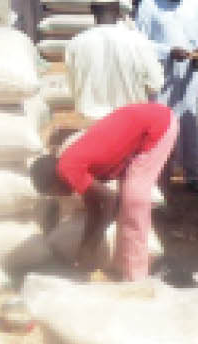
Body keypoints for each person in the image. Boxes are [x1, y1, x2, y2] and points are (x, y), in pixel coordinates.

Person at [29, 103, 177, 280]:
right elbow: (95, 210)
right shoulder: (71, 168)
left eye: (54, 193)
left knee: (133, 202)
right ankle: (122, 267)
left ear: (54, 182)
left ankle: (135, 278)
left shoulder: (68, 169)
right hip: (144, 122)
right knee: (127, 204)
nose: (60, 196)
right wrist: (85, 247)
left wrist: (91, 245)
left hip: (157, 124)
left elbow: (109, 201)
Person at [136, 0, 198, 193]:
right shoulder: (149, 4)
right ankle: (160, 176)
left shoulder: (194, 4)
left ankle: (192, 175)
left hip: (189, 74)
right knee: (161, 125)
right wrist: (168, 52)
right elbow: (140, 41)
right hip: (162, 74)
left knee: (189, 123)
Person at [65, 0, 163, 124]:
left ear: (92, 9)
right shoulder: (138, 42)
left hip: (92, 128)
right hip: (130, 127)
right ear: (118, 8)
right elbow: (155, 84)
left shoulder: (75, 45)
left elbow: (74, 90)